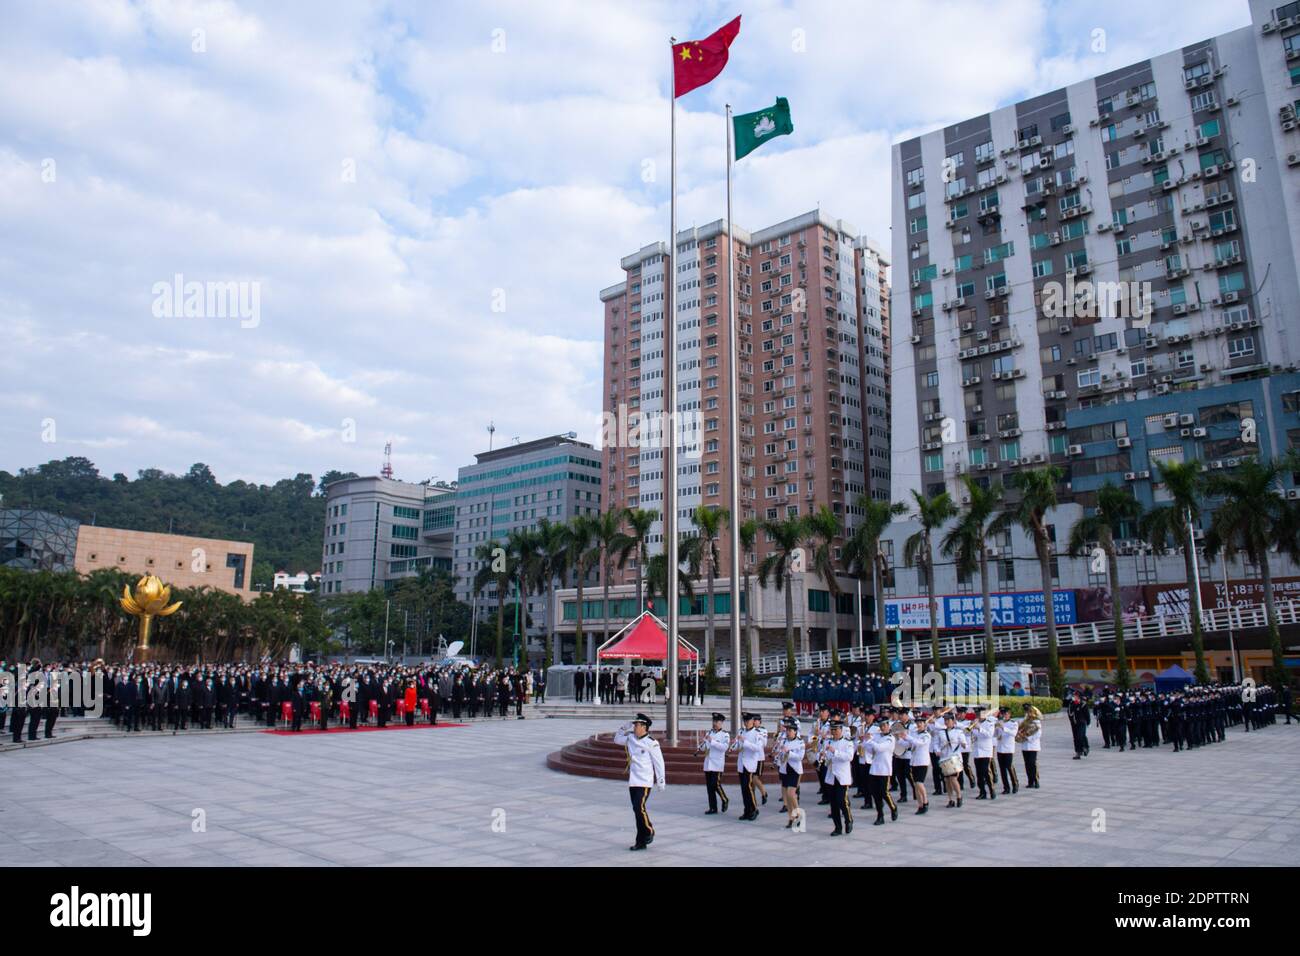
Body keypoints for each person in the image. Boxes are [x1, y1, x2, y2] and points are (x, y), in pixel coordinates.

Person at [613, 713, 665, 851]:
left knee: (639, 807)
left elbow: (659, 762)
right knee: (637, 811)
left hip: (645, 781)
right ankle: (640, 842)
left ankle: (649, 830)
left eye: (636, 725)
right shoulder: (630, 738)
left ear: (644, 727)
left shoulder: (651, 743)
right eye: (634, 724)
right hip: (633, 780)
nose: (634, 727)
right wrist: (626, 726)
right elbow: (617, 739)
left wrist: (660, 781)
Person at [824, 719, 855, 836]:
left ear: (841, 730)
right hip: (831, 776)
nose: (834, 732)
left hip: (842, 776)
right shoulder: (829, 742)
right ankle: (837, 827)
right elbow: (827, 757)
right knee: (833, 803)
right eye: (832, 730)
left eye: (836, 729)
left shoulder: (848, 742)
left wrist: (835, 751)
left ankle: (848, 819)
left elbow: (849, 757)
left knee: (841, 800)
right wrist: (823, 756)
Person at [865, 719, 898, 826]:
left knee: (884, 793)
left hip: (884, 769)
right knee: (875, 793)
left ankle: (893, 807)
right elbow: (871, 750)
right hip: (874, 768)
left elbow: (879, 748)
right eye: (881, 726)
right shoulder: (877, 736)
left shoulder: (891, 739)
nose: (883, 727)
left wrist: (870, 740)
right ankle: (880, 816)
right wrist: (865, 741)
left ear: (889, 726)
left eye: (885, 725)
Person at [733, 712, 765, 821]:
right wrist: (735, 744)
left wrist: (744, 741)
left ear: (752, 721)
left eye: (748, 721)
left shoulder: (757, 733)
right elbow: (739, 746)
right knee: (743, 789)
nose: (746, 723)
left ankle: (754, 809)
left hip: (750, 764)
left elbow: (757, 748)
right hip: (741, 764)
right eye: (744, 721)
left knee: (749, 788)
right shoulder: (741, 731)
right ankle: (747, 810)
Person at [774, 717, 805, 829]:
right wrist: (779, 753)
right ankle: (791, 818)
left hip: (795, 770)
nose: (788, 732)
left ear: (795, 731)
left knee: (792, 794)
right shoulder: (784, 741)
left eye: (790, 730)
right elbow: (780, 754)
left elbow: (800, 757)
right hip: (785, 768)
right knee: (787, 795)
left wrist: (788, 752)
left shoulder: (800, 742)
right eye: (787, 730)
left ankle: (798, 815)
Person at [699, 712, 730, 814]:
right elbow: (704, 747)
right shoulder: (709, 733)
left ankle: (724, 799)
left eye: (717, 721)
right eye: (714, 721)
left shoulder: (725, 734)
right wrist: (702, 744)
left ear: (721, 723)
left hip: (717, 764)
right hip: (708, 764)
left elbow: (724, 748)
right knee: (709, 787)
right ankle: (713, 808)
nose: (715, 723)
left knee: (715, 784)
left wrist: (712, 741)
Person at [906, 714, 931, 815]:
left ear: (925, 725)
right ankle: (920, 805)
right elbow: (909, 744)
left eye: (921, 723)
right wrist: (900, 739)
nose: (919, 724)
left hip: (922, 762)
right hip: (914, 761)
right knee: (916, 785)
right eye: (918, 723)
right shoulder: (914, 734)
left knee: (920, 783)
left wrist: (907, 737)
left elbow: (919, 743)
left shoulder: (926, 735)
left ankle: (925, 801)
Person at [970, 708, 997, 800]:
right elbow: (969, 735)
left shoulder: (989, 723)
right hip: (977, 752)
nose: (978, 716)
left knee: (986, 771)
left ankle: (992, 789)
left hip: (986, 751)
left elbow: (989, 735)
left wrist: (979, 728)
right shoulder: (975, 724)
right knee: (979, 774)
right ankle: (982, 792)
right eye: (977, 714)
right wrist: (971, 729)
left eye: (980, 714)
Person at [994, 706, 1019, 795]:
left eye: (1005, 714)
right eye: (1002, 714)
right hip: (1000, 748)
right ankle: (1006, 787)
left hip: (1008, 748)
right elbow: (995, 735)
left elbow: (1013, 733)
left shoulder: (1013, 723)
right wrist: (995, 728)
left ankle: (1015, 784)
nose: (1004, 715)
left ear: (1009, 714)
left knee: (1009, 766)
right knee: (1002, 769)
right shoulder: (999, 722)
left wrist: (1003, 727)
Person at [1018, 705, 1042, 788]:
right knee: (1027, 764)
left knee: (1032, 763)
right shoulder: (1024, 721)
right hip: (1025, 745)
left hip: (1033, 745)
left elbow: (1038, 734)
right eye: (1026, 712)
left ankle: (1036, 780)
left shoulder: (1036, 722)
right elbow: (1020, 729)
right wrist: (1020, 734)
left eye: (1028, 712)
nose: (1027, 713)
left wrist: (1028, 737)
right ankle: (1030, 781)